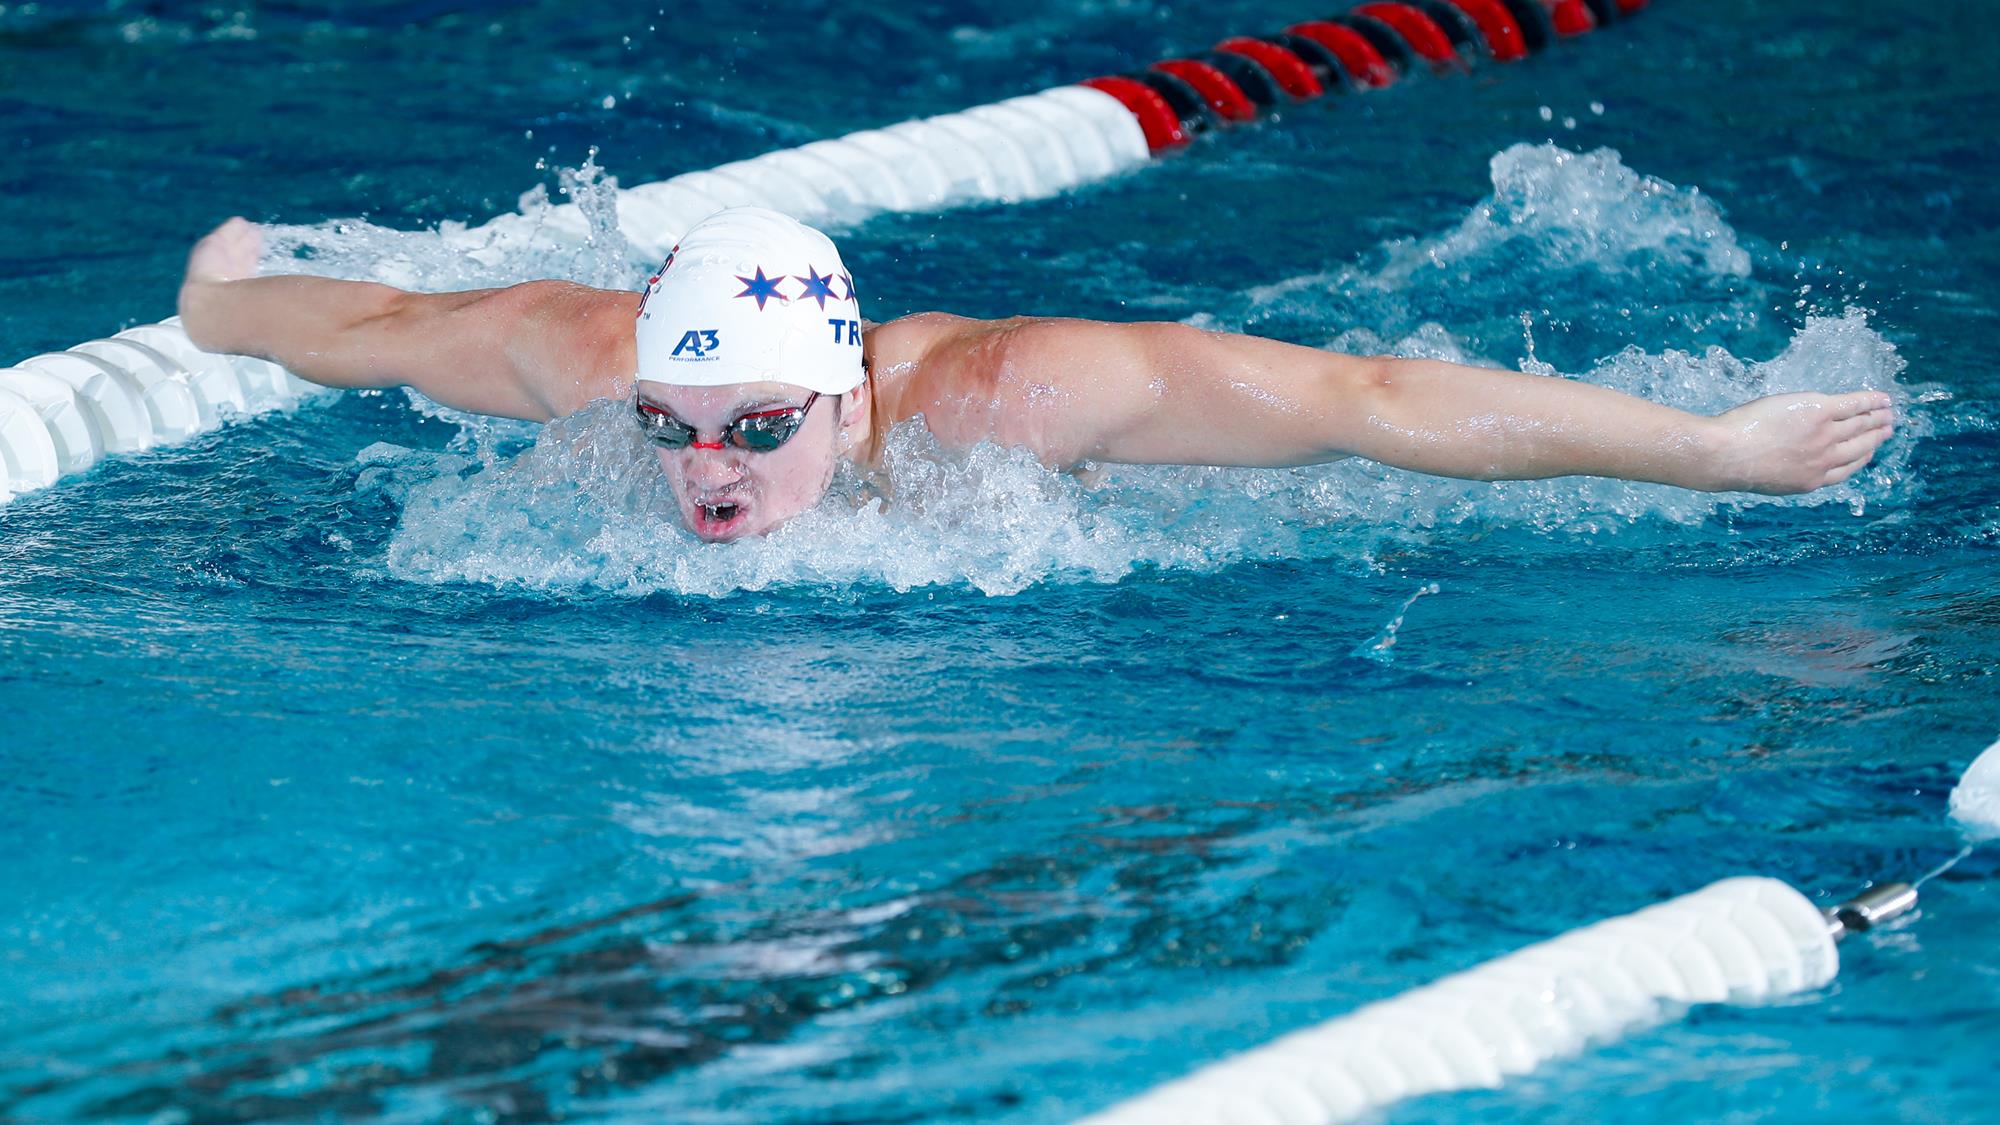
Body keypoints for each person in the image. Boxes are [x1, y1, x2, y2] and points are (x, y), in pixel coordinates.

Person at [177, 206, 1895, 543]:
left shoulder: (1002, 402)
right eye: (673, 429)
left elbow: (1365, 400)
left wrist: (1715, 450)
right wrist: (223, 302)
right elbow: (376, 327)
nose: (706, 470)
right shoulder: (588, 361)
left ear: (850, 398)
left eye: (759, 428)